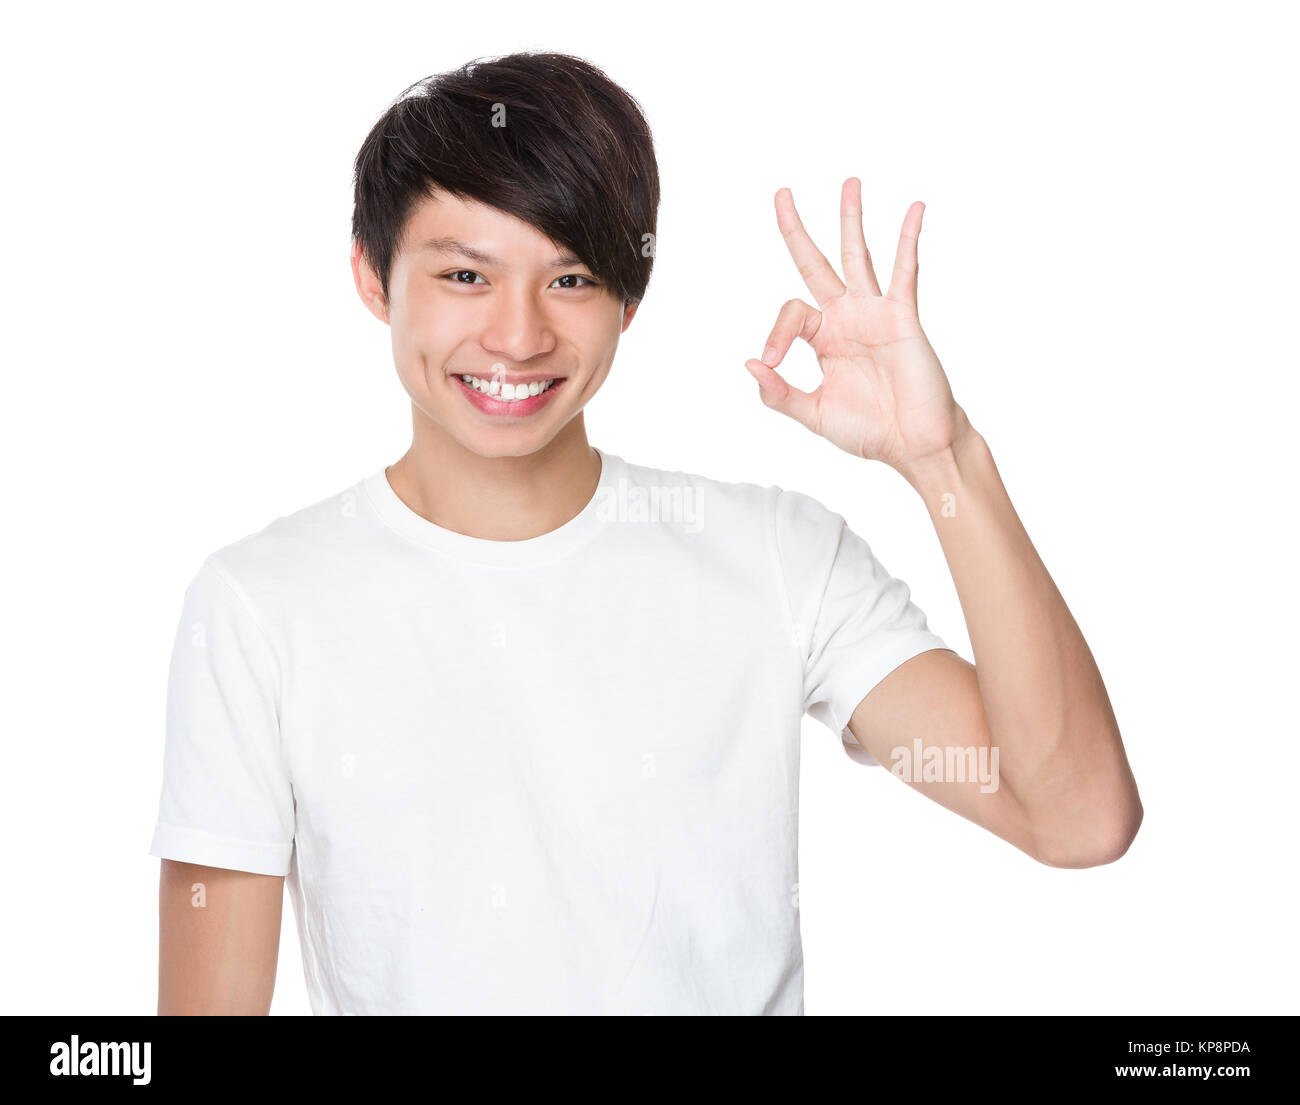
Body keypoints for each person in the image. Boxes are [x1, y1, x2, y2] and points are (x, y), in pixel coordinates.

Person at [149, 51, 1142, 1016]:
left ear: (631, 296)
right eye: (463, 276)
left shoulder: (774, 557)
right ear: (373, 277)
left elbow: (1076, 816)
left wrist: (944, 459)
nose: (518, 334)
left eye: (571, 279)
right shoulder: (260, 605)